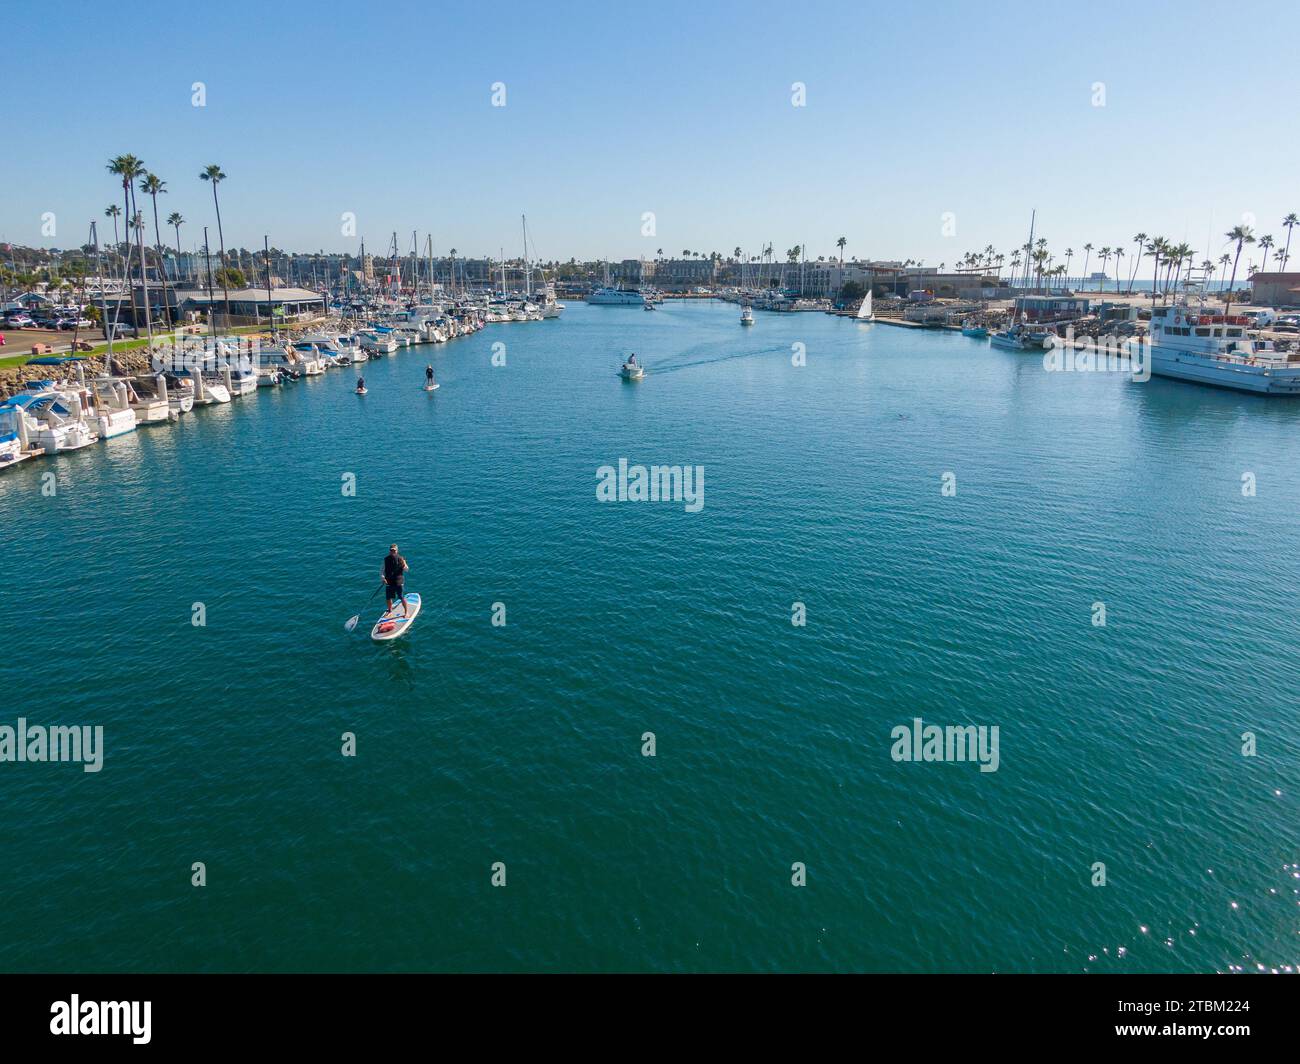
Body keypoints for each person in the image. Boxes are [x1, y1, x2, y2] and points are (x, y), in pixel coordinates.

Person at [380, 544, 409, 617]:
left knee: (401, 597)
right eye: (391, 550)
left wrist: (405, 564)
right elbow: (382, 570)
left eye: (394, 550)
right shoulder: (385, 559)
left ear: (397, 551)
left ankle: (406, 612)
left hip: (399, 581)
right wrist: (383, 578)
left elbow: (406, 570)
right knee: (388, 598)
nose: (392, 551)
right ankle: (390, 611)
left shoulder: (401, 559)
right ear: (389, 550)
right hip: (389, 581)